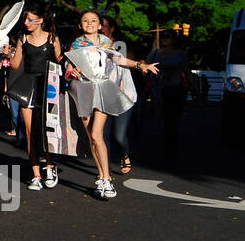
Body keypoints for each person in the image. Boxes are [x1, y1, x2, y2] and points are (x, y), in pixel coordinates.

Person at [66, 10, 158, 199]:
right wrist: (71, 72)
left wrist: (141, 66)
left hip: (102, 88)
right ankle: (100, 176)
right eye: (85, 21)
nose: (89, 23)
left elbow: (119, 60)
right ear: (80, 25)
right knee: (91, 135)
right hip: (83, 89)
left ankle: (107, 178)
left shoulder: (106, 43)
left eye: (94, 21)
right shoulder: (76, 44)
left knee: (98, 133)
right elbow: (69, 68)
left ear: (100, 25)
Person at [9, 5, 61, 190]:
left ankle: (49, 166)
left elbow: (60, 59)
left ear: (41, 20)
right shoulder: (23, 38)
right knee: (30, 133)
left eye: (30, 19)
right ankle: (36, 174)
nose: (26, 23)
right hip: (27, 87)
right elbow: (16, 65)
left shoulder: (52, 38)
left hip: (48, 86)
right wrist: (9, 54)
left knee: (45, 131)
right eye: (25, 19)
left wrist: (72, 64)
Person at [99, 15, 136, 174]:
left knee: (119, 136)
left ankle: (124, 154)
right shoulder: (92, 46)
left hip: (123, 95)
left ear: (112, 28)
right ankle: (104, 170)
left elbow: (127, 62)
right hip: (102, 95)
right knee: (102, 134)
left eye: (104, 25)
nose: (101, 28)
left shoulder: (120, 45)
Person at [147, 31, 192, 160]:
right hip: (158, 90)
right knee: (160, 118)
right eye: (163, 37)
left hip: (175, 90)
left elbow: (187, 72)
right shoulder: (155, 53)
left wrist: (195, 90)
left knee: (171, 119)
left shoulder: (180, 55)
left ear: (173, 40)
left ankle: (170, 145)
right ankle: (164, 142)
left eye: (167, 37)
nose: (164, 39)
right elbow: (145, 68)